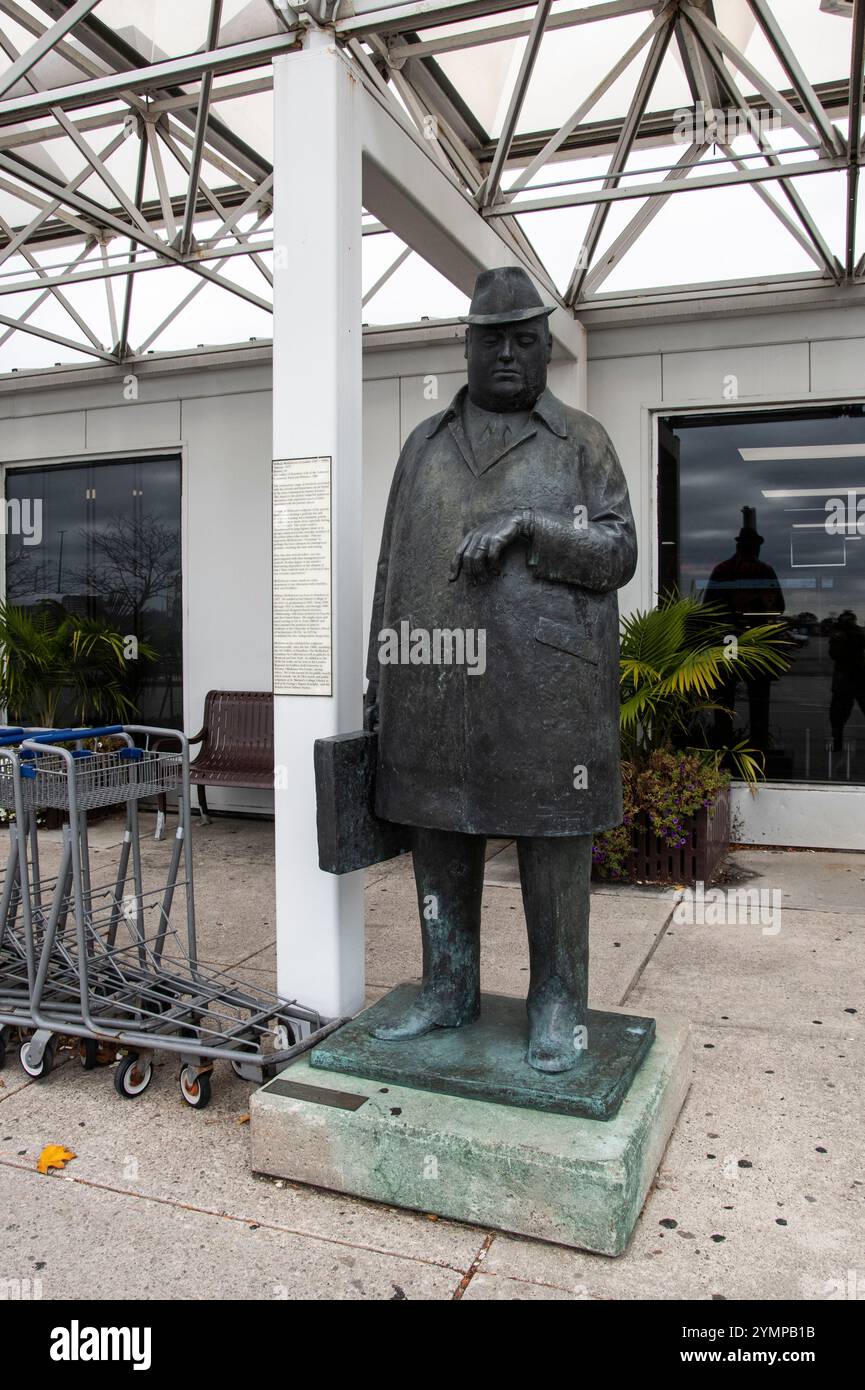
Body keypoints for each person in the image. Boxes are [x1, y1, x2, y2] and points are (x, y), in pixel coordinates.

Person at [364, 267, 636, 1073]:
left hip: (545, 688)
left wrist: (532, 528)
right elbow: (389, 569)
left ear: (546, 347)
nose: (510, 355)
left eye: (525, 339)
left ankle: (558, 1002)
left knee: (552, 844)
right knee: (438, 834)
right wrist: (380, 684)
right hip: (431, 685)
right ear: (468, 346)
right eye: (494, 340)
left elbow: (617, 551)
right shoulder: (423, 445)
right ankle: (447, 987)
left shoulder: (581, 441)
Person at [704, 517, 785, 755]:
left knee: (744, 701)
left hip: (745, 644)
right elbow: (709, 608)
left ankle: (744, 749)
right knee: (730, 701)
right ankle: (734, 749)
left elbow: (777, 605)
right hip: (732, 642)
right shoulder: (735, 570)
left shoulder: (751, 570)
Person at [829, 610, 865, 752]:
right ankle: (837, 742)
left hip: (852, 677)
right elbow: (834, 654)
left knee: (838, 713)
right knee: (838, 714)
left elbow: (834, 653)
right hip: (847, 677)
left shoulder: (855, 634)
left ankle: (837, 741)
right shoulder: (842, 634)